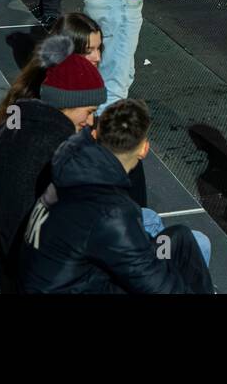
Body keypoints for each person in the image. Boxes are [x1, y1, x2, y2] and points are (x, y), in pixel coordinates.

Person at [0, 22, 108, 291]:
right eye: (89, 111)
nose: (91, 119)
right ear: (69, 103)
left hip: (11, 250)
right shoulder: (67, 152)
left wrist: (8, 200)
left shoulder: (12, 124)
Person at [19, 98, 212, 294]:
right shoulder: (111, 211)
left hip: (69, 277)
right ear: (145, 149)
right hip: (81, 285)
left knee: (181, 238)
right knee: (195, 246)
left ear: (96, 134)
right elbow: (159, 288)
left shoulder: (72, 162)